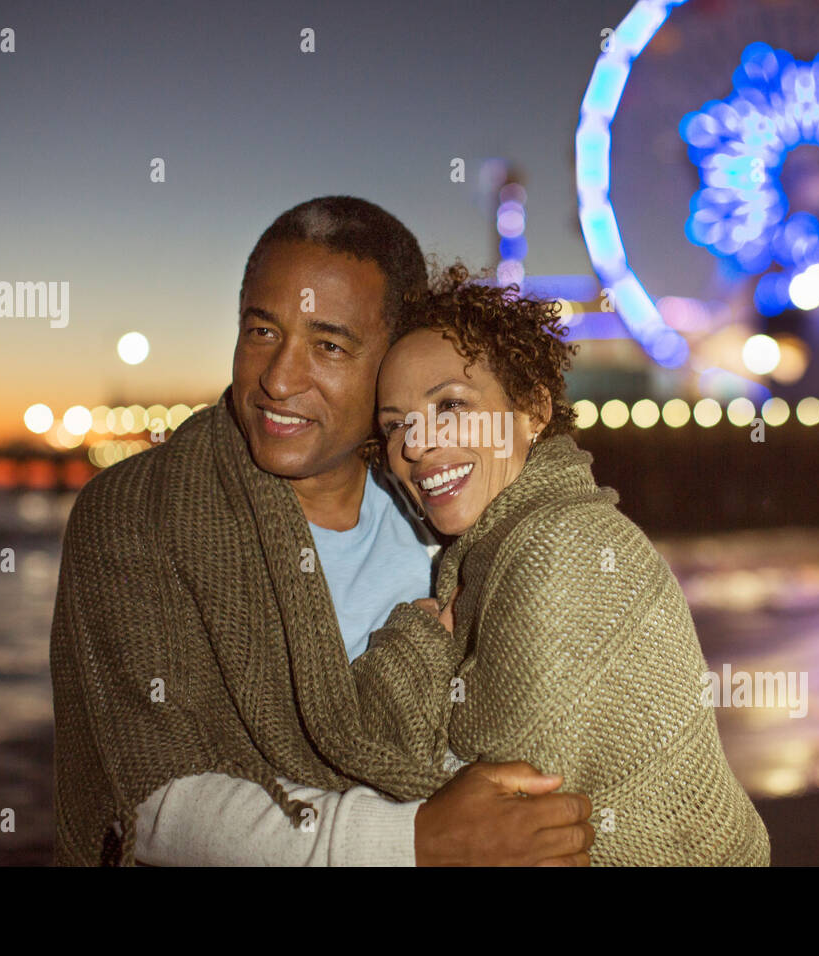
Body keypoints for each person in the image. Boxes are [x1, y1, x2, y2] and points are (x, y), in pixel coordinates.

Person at [50, 197, 594, 866]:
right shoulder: (136, 512)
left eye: (328, 344)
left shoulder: (449, 511)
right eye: (262, 332)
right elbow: (161, 807)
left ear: (395, 360)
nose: (278, 379)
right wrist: (420, 841)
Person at [267, 264, 771, 865]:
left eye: (450, 405)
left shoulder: (560, 548)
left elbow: (487, 811)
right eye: (395, 425)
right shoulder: (498, 548)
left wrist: (409, 652)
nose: (416, 445)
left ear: (532, 409)